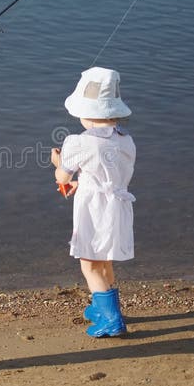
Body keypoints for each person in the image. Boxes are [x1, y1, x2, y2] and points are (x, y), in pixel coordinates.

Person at [51, 67, 136, 337]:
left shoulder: (78, 142)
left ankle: (112, 321)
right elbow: (110, 175)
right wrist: (82, 182)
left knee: (89, 263)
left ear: (85, 113)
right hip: (118, 207)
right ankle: (107, 309)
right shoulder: (126, 140)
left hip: (95, 211)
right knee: (105, 262)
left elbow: (61, 174)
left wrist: (58, 162)